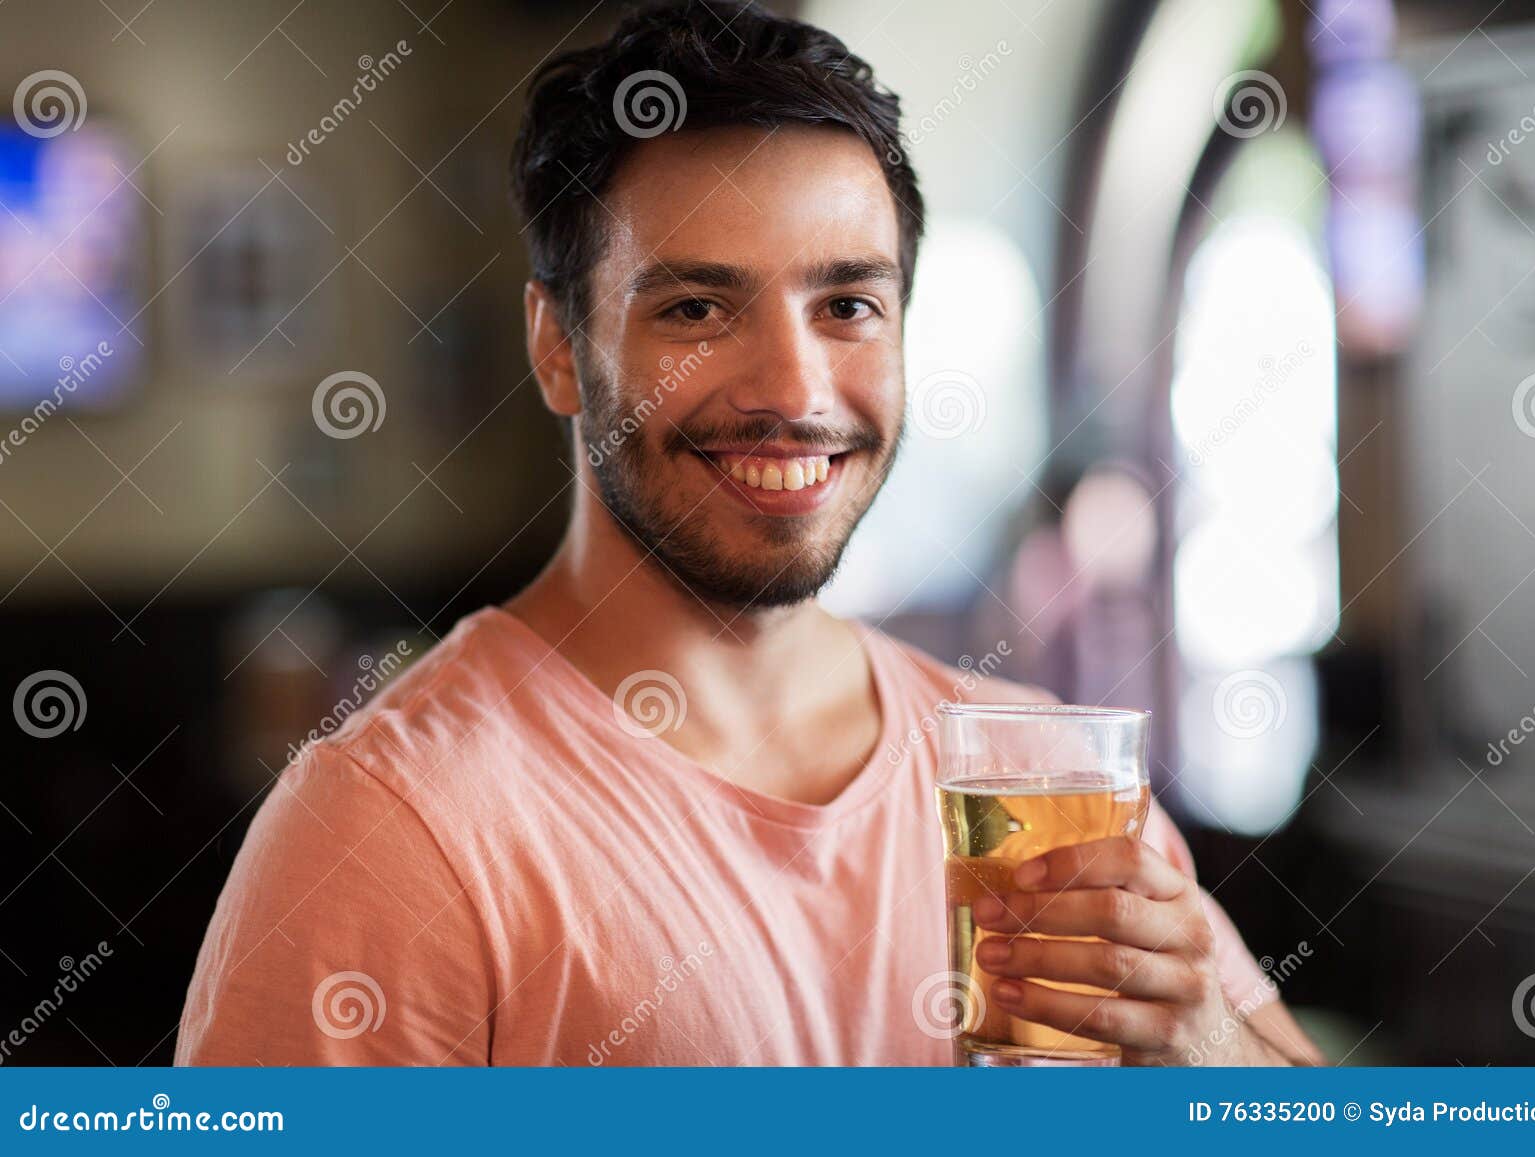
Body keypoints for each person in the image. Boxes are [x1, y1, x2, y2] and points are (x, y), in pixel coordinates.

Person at [177, 0, 1323, 1067]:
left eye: (848, 306)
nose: (793, 385)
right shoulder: (389, 828)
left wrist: (1207, 1046)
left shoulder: (1039, 777)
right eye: (695, 309)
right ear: (558, 347)